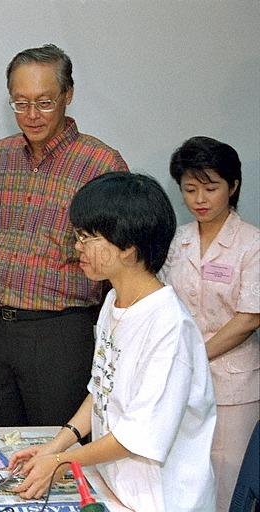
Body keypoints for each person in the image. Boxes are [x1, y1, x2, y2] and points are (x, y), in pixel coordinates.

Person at [8, 172, 216, 511]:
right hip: (117, 485)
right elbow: (101, 388)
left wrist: (62, 461)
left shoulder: (170, 326)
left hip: (161, 499)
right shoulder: (114, 302)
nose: (77, 246)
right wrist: (56, 446)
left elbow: (139, 437)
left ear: (128, 248)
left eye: (88, 237)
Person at [0, 43, 129, 427]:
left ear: (68, 95)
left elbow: (118, 259)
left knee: (55, 452)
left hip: (59, 332)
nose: (32, 115)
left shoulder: (101, 163)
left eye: (44, 102)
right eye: (20, 103)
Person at [161, 136, 259, 512]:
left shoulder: (252, 243)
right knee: (186, 476)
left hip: (233, 384)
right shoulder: (177, 240)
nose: (199, 199)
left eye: (210, 188)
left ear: (232, 187)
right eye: (189, 189)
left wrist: (196, 355)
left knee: (227, 480)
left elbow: (249, 317)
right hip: (182, 379)